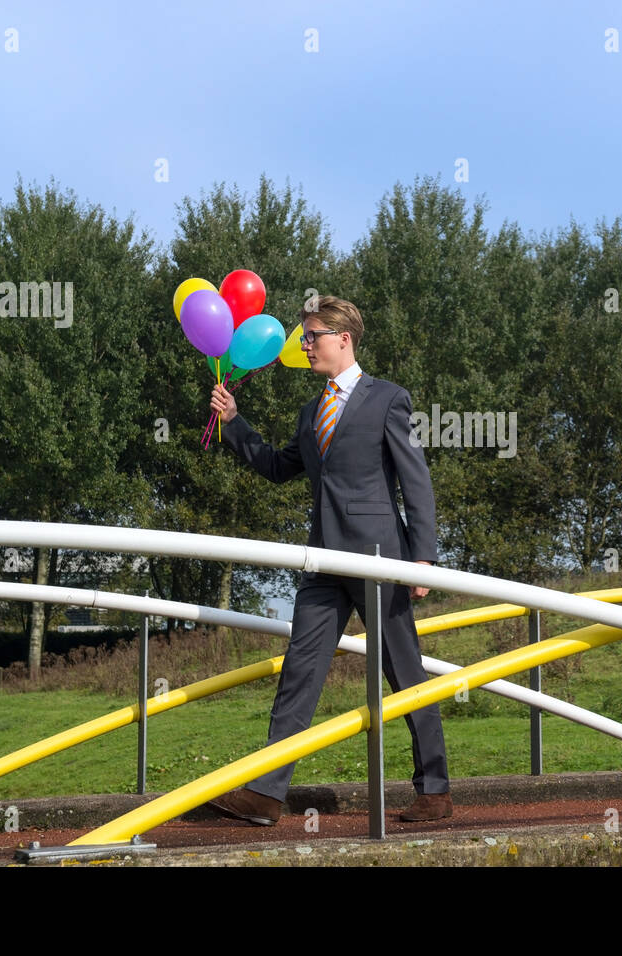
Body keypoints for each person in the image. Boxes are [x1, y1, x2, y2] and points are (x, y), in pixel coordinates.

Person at [208, 295, 451, 824]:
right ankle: (266, 794)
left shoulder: (390, 399)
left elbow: (416, 479)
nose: (303, 344)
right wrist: (234, 422)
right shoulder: (310, 411)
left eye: (312, 335)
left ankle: (434, 791)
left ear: (344, 339)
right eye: (303, 335)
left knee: (405, 674)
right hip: (321, 562)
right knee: (299, 671)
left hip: (379, 559)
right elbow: (276, 467)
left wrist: (423, 558)